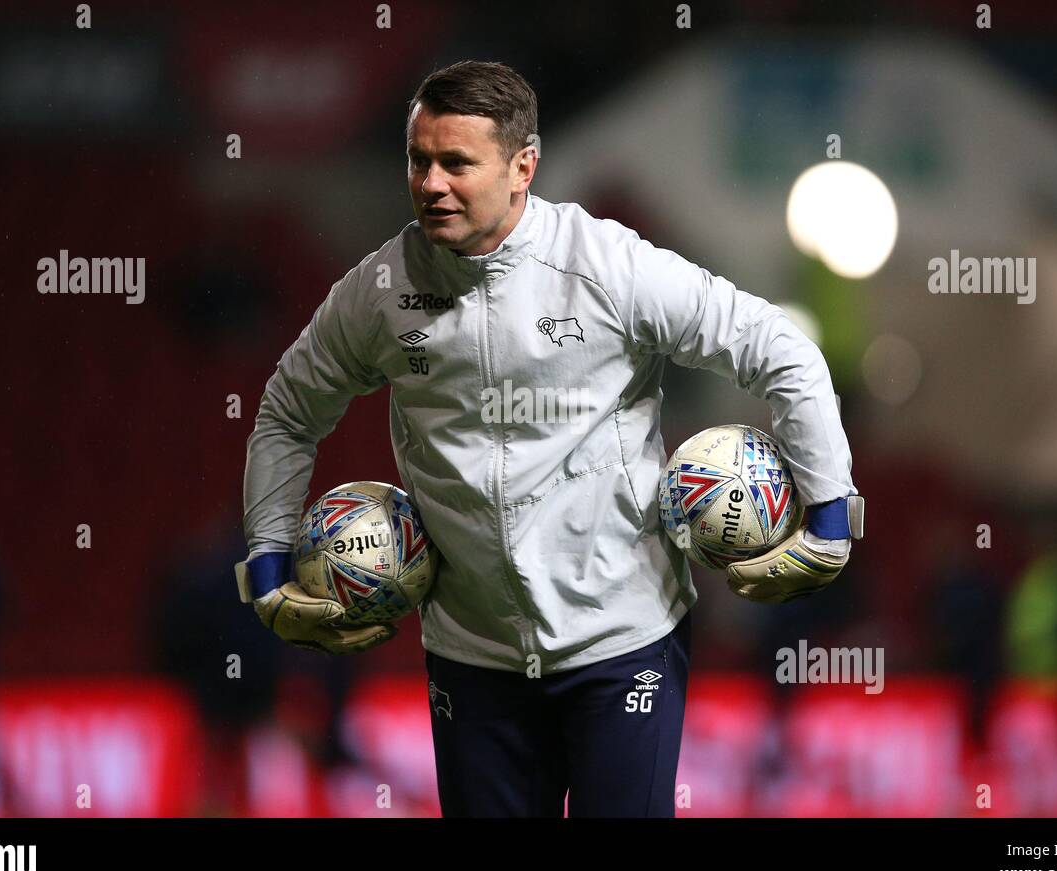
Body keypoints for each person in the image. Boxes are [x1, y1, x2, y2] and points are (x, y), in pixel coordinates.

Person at [236, 60, 863, 817]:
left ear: (523, 166)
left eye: (457, 163)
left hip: (623, 644)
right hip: (473, 659)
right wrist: (268, 565)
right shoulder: (379, 292)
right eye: (418, 159)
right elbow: (286, 411)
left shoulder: (607, 266)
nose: (431, 182)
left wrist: (831, 516)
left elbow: (779, 347)